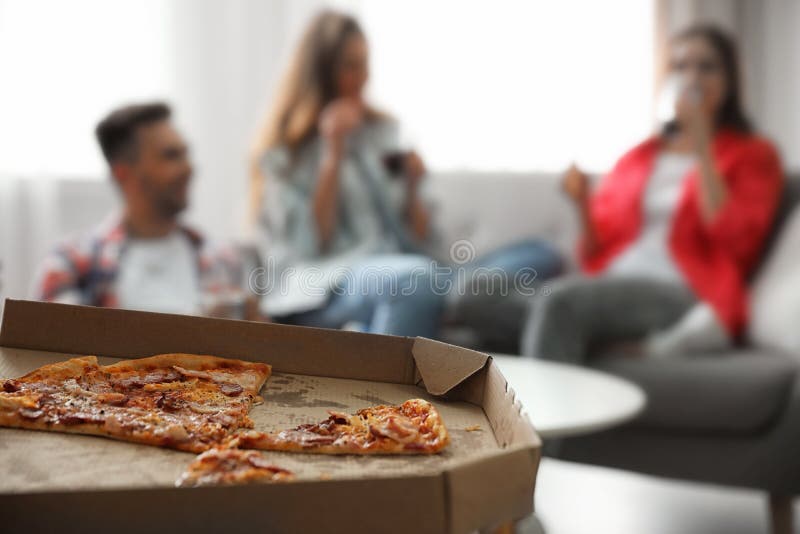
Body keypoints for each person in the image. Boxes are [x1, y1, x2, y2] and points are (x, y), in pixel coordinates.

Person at [250, 10, 561, 338]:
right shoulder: (288, 154)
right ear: (322, 72)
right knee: (417, 281)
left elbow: (424, 237)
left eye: (365, 64)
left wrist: (412, 187)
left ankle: (458, 297)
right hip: (330, 279)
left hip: (409, 265)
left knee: (538, 254)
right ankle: (453, 302)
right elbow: (311, 244)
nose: (363, 78)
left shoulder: (381, 133)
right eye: (351, 66)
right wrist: (333, 153)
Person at [521, 24, 784, 363]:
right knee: (478, 299)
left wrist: (703, 141)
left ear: (729, 81)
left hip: (682, 291)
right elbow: (594, 253)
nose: (692, 77)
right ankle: (582, 333)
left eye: (706, 66)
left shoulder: (754, 154)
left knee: (559, 303)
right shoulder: (639, 157)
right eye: (680, 66)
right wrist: (582, 202)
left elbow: (736, 242)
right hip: (608, 284)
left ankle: (536, 414)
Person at [32, 102, 257, 319]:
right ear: (123, 173)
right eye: (171, 156)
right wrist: (200, 328)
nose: (188, 168)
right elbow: (49, 344)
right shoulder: (70, 263)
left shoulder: (225, 261)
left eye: (185, 154)